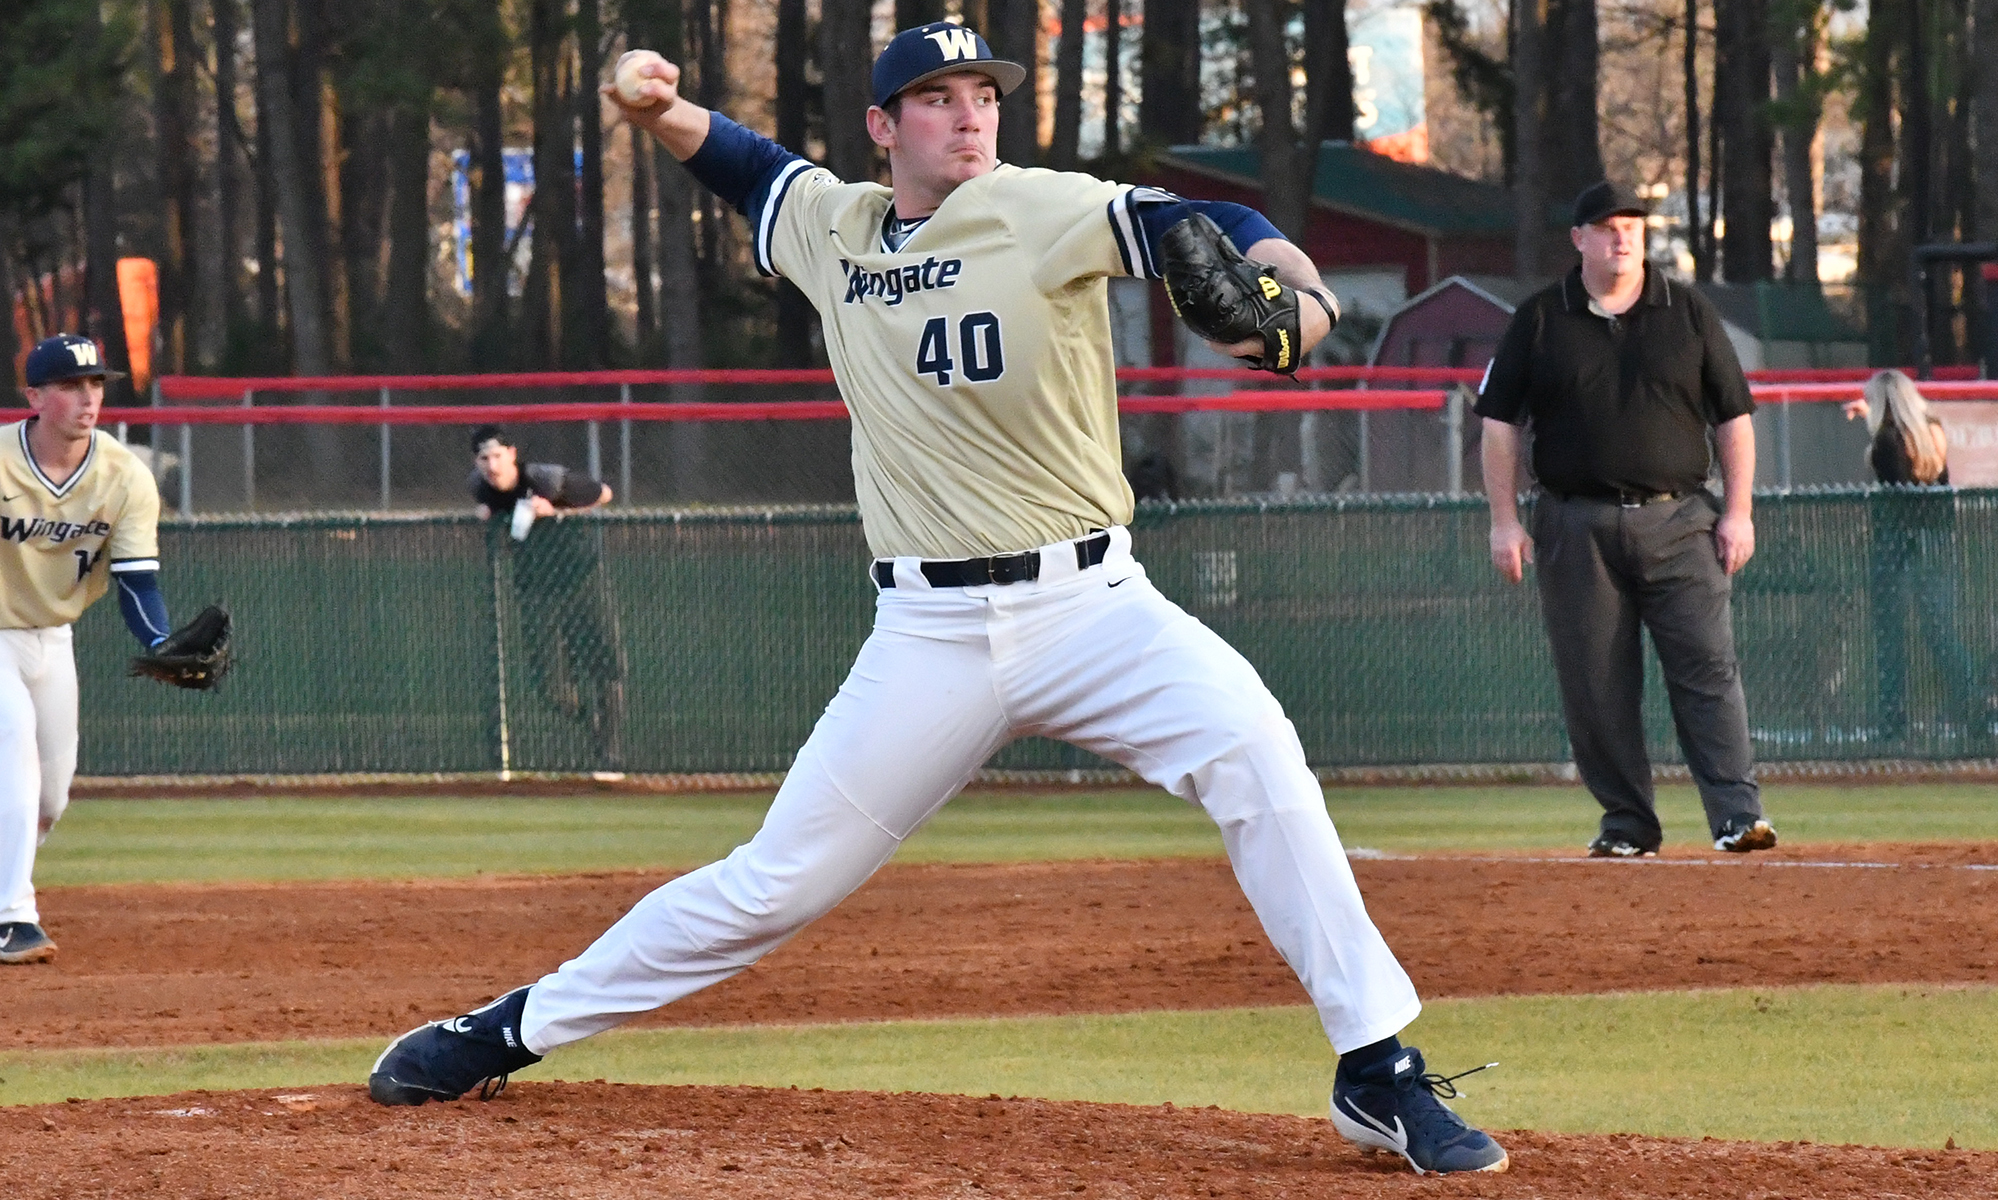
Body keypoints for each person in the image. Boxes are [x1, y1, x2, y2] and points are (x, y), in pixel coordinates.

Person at [367, 22, 1508, 1176]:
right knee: (775, 883)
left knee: (1258, 754)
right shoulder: (836, 228)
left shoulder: (1041, 206)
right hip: (930, 634)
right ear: (882, 126)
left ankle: (1376, 1070)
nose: (968, 112)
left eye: (981, 92)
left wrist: (1298, 311)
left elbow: (1197, 231)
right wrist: (659, 110)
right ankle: (505, 1030)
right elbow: (750, 167)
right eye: (934, 96)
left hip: (1097, 607)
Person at [1476, 180, 1777, 860]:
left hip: (1679, 522)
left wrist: (1738, 512)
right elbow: (1498, 424)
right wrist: (1504, 521)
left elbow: (1734, 418)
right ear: (1578, 239)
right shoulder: (1541, 319)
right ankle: (1628, 823)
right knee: (1595, 682)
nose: (1623, 237)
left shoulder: (1688, 312)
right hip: (1574, 525)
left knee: (1707, 669)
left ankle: (1737, 815)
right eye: (1608, 226)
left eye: (1634, 226)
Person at [2, 334, 180, 964]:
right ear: (34, 396)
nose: (88, 399)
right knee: (14, 763)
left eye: (96, 384)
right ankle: (12, 918)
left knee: (50, 799)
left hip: (54, 637)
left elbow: (137, 580)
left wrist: (160, 640)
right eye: (71, 386)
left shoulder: (124, 474)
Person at [1841, 370, 1991, 742]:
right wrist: (1871, 416)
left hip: (1899, 543)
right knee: (1941, 632)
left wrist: (1873, 426)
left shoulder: (1887, 442)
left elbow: (1896, 483)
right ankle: (1975, 710)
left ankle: (1893, 724)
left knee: (1890, 634)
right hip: (1938, 541)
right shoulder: (1931, 430)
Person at [468, 426, 626, 772]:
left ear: (512, 454)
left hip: (580, 577)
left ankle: (611, 756)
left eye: (497, 456)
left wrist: (555, 510)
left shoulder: (545, 479)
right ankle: (593, 727)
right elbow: (498, 529)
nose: (492, 465)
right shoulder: (481, 488)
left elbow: (603, 494)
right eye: (483, 458)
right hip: (536, 590)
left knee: (606, 666)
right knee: (551, 688)